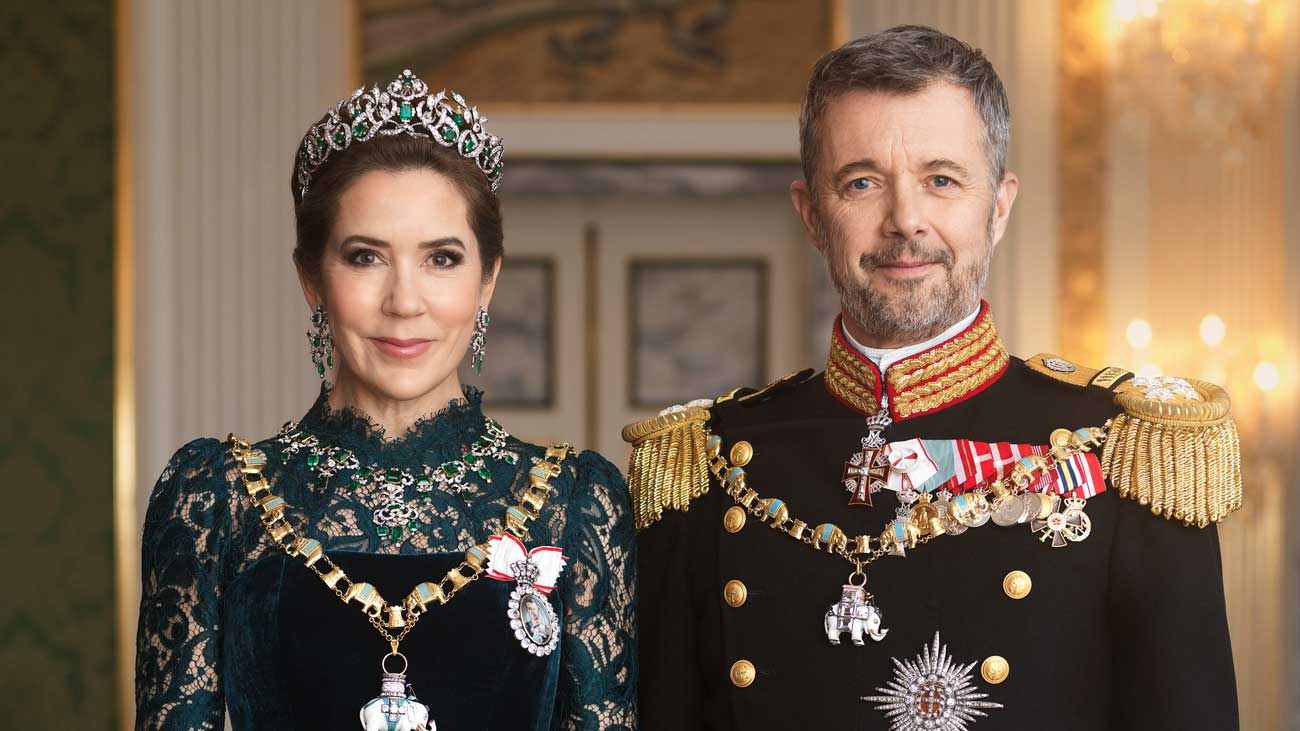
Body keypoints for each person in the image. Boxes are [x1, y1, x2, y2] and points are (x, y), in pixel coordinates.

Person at [628, 26, 1240, 731]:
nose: (905, 221)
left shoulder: (1129, 448)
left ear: (999, 206)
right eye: (862, 182)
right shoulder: (703, 460)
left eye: (940, 180)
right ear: (811, 215)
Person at [135, 70, 637, 730]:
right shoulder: (214, 497)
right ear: (312, 279)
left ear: (487, 280)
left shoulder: (574, 501)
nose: (404, 301)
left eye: (442, 259)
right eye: (367, 257)